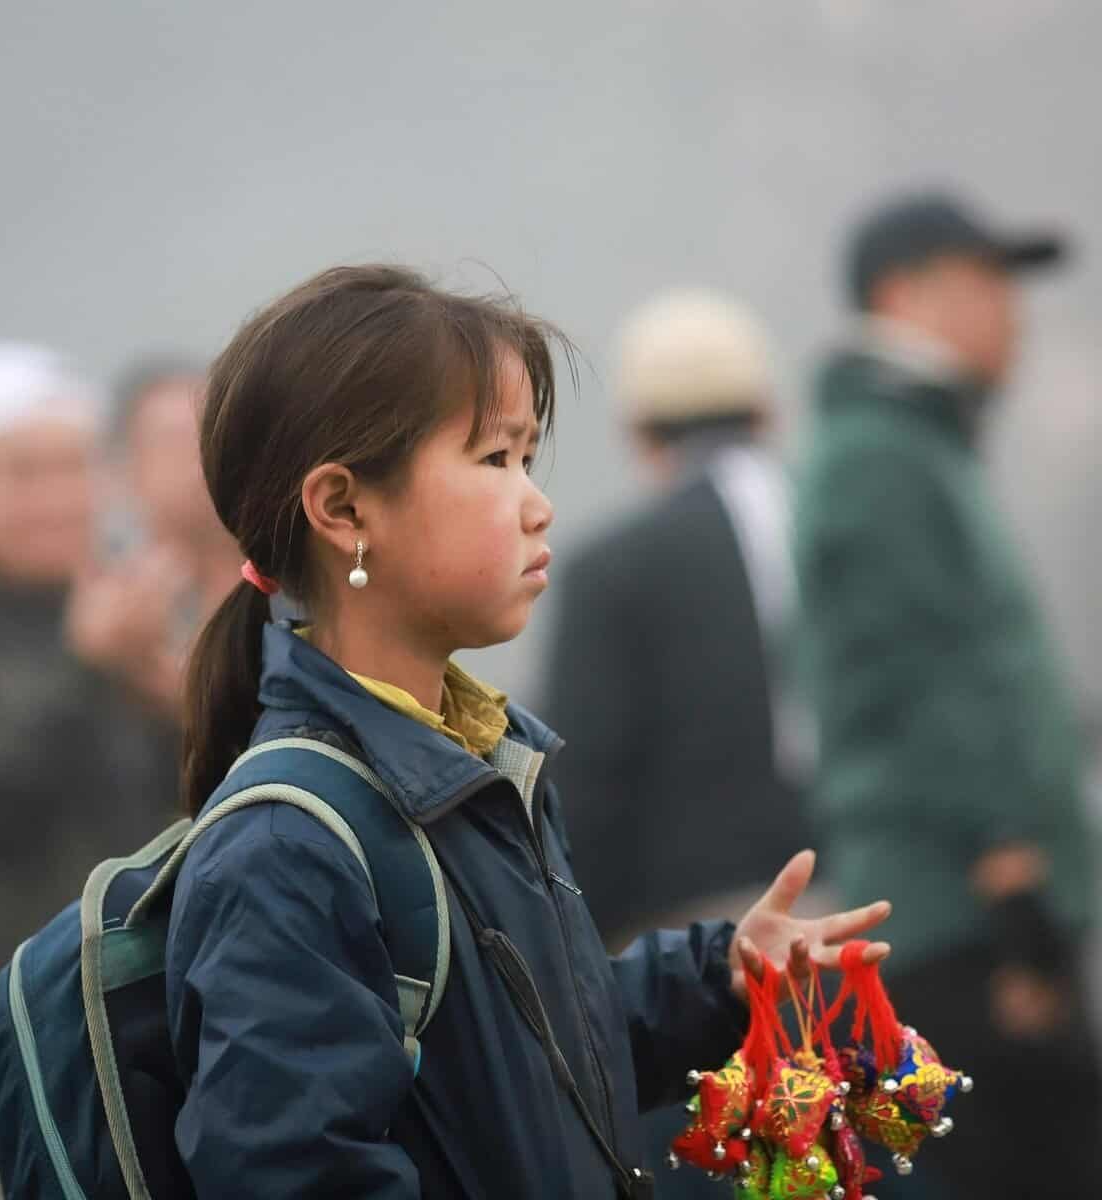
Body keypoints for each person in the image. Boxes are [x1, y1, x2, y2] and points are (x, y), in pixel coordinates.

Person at [164, 264, 891, 1197]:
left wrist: (719, 974)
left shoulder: (474, 770)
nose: (536, 503)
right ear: (344, 509)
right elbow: (298, 1173)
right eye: (494, 460)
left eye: (529, 459)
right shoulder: (288, 845)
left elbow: (524, 1059)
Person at [794, 193, 1101, 1196]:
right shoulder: (877, 457)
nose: (1012, 312)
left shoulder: (919, 445)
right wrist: (1014, 886)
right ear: (902, 296)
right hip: (959, 918)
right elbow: (926, 684)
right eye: (987, 283)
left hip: (979, 907)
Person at [542, 291, 814, 1199]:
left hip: (695, 979)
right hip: (865, 953)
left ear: (638, 433)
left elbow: (588, 795)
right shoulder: (841, 529)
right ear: (769, 412)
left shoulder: (613, 567)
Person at [0, 342, 179, 1047]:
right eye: (24, 475)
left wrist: (183, 701)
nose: (56, 500)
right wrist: (83, 665)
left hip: (160, 978)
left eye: (74, 470)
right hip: (10, 1006)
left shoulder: (153, 606)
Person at [66, 359, 241, 719]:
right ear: (122, 471)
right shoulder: (98, 604)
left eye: (217, 431)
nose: (202, 456)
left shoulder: (307, 585)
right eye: (175, 441)